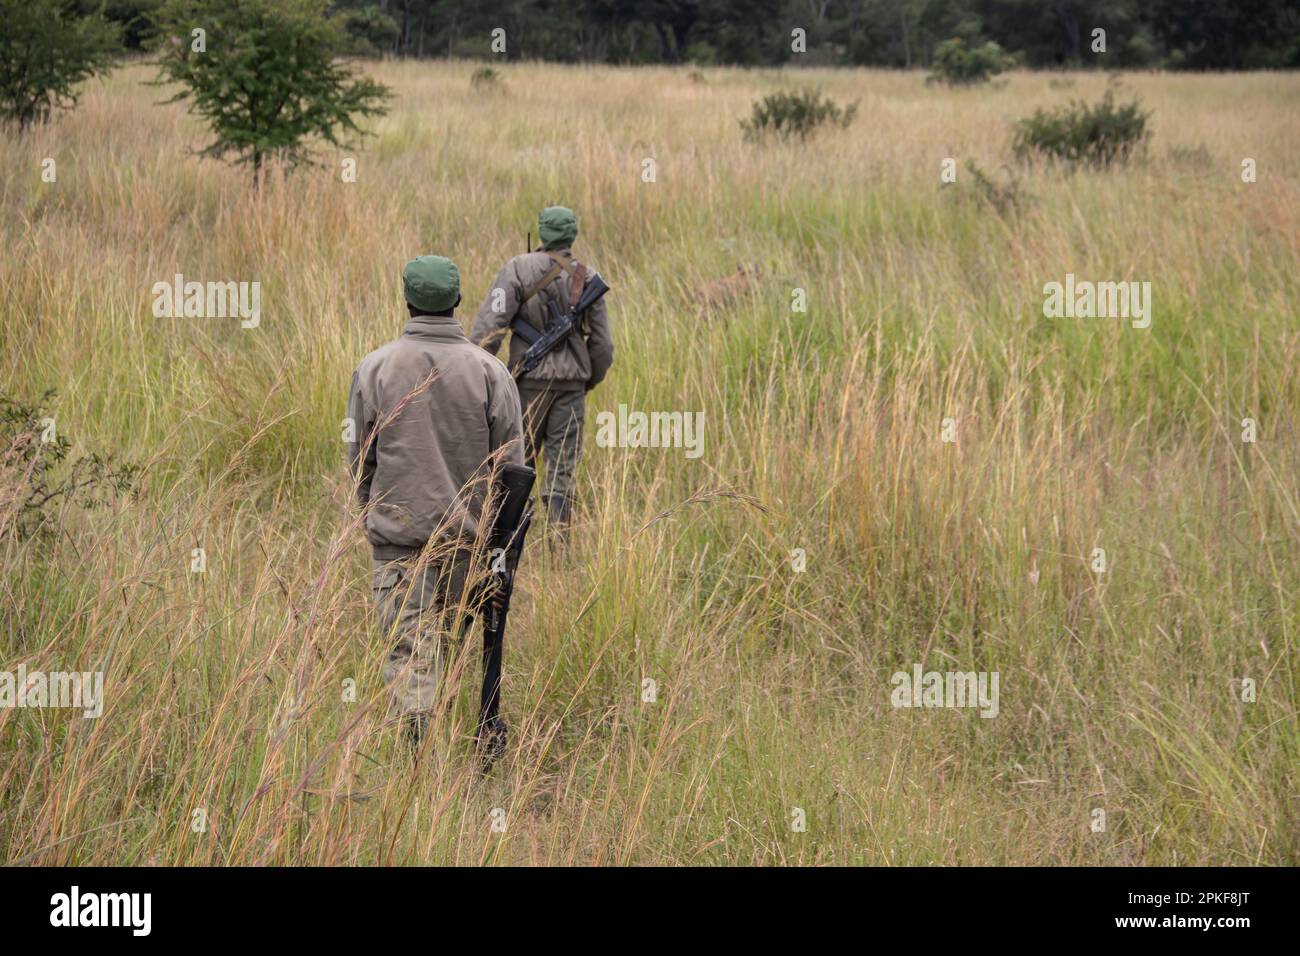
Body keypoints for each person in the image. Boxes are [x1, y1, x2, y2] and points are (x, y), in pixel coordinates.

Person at [348, 254, 523, 746]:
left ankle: (415, 767)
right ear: (457, 302)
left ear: (407, 300)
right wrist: (495, 547)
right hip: (467, 543)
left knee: (411, 654)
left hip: (399, 543)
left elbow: (360, 459)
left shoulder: (375, 368)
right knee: (448, 646)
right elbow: (514, 470)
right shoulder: (491, 373)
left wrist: (374, 517)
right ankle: (436, 764)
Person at [470, 206, 613, 529]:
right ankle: (559, 545)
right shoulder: (585, 276)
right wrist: (586, 380)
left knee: (516, 466)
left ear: (542, 232)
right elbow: (603, 347)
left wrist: (479, 380)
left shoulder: (517, 269)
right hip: (572, 388)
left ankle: (505, 542)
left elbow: (488, 331)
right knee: (562, 470)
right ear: (571, 235)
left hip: (527, 386)